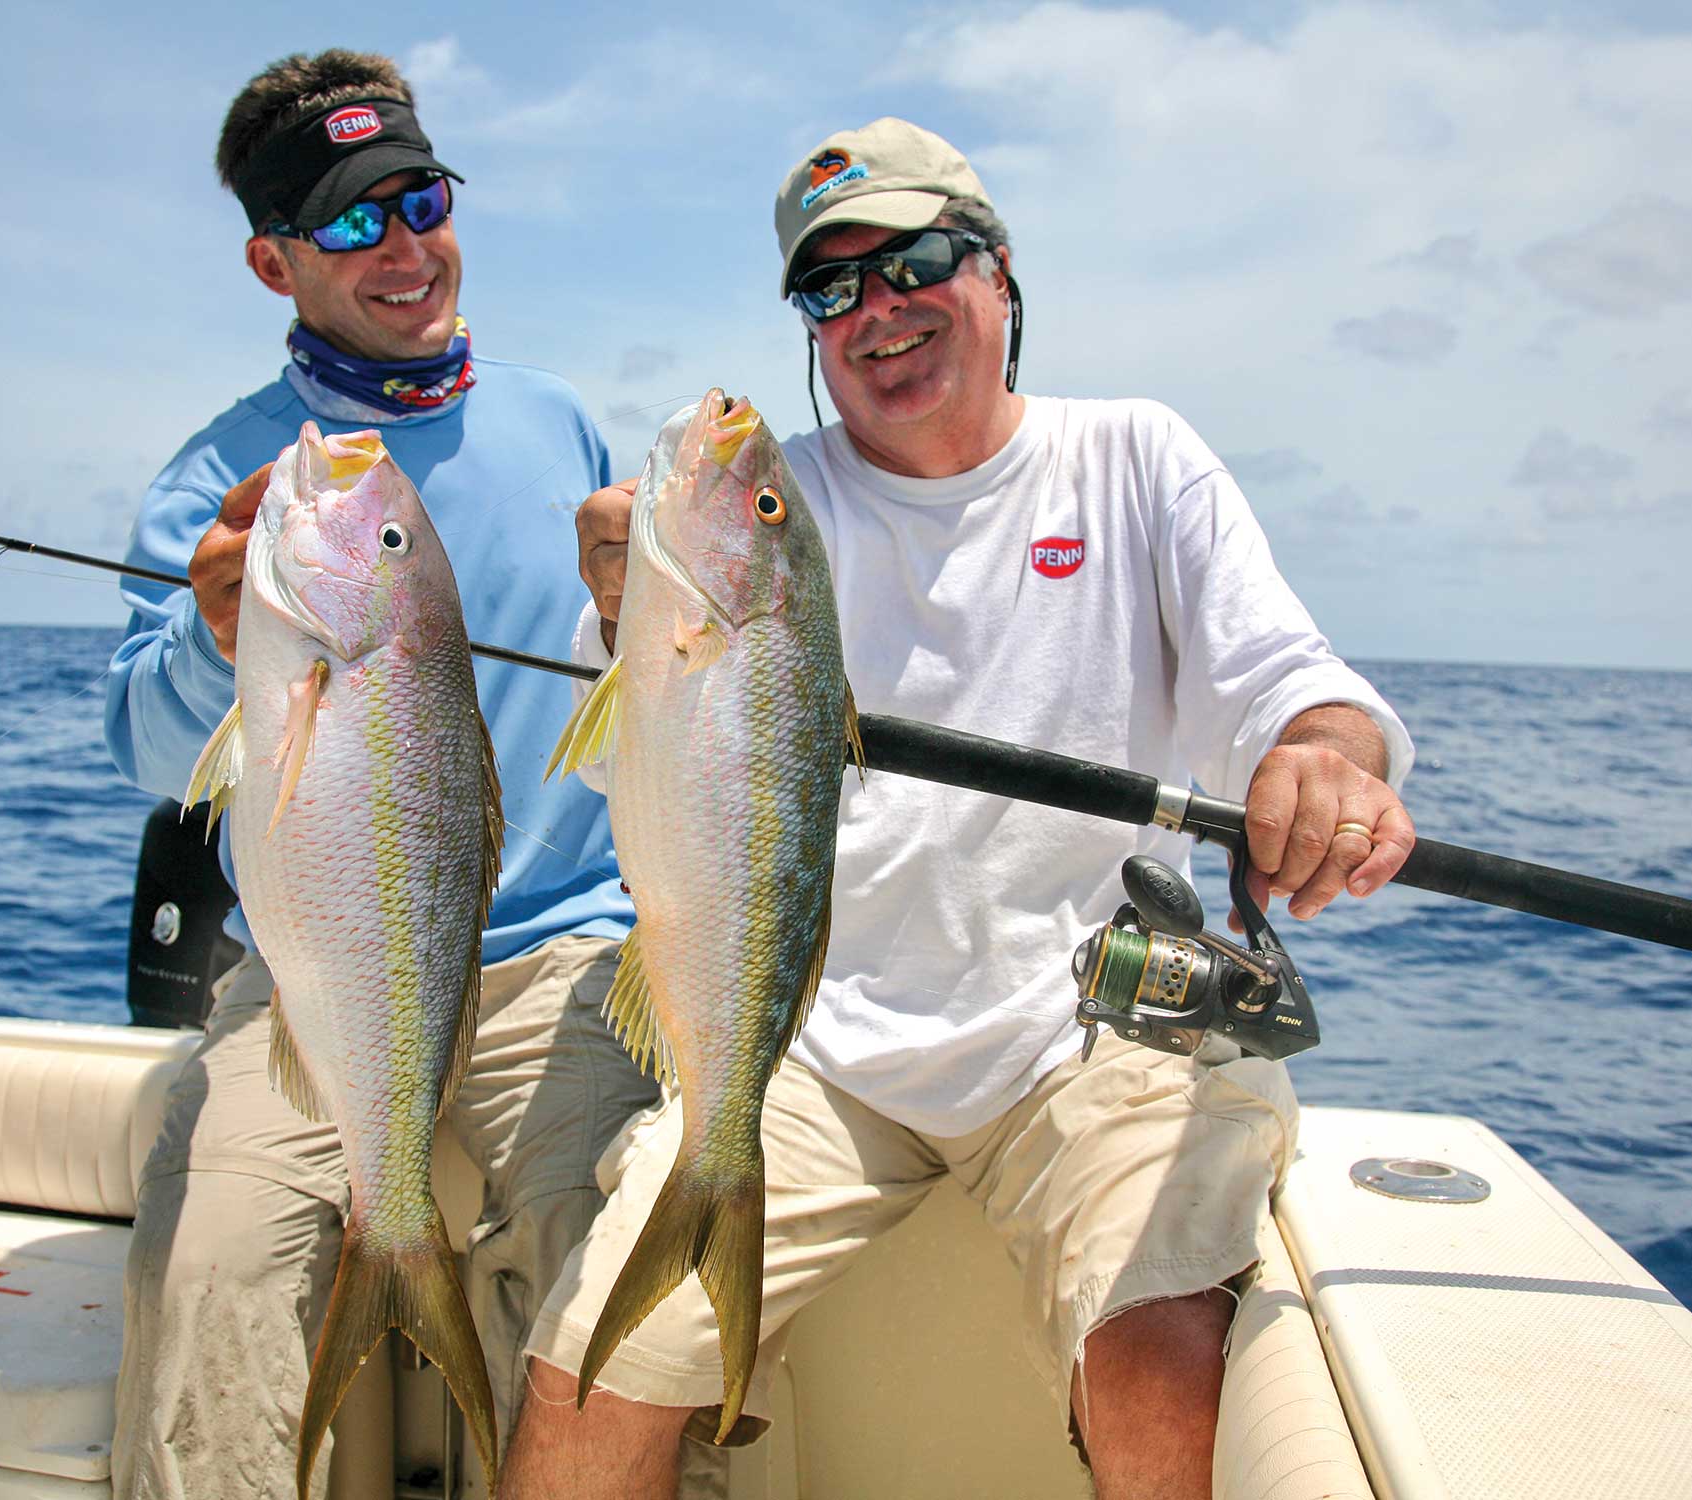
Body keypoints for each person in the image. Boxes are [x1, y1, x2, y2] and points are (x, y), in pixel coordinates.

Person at [499, 118, 1417, 1499]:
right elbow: (624, 761)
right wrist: (626, 609)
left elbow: (1296, 688)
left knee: (1163, 1370)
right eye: (830, 288)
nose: (876, 310)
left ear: (998, 274)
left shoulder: (1135, 460)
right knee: (586, 1378)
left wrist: (1330, 760)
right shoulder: (768, 509)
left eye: (914, 261)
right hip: (812, 1042)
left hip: (1090, 1038)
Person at [102, 50, 660, 1500]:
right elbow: (148, 755)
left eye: (421, 198)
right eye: (353, 223)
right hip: (310, 972)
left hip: (563, 954)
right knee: (210, 1270)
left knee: (622, 1277)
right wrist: (214, 639)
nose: (406, 248)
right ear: (271, 261)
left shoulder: (566, 423)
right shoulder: (218, 479)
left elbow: (647, 701)